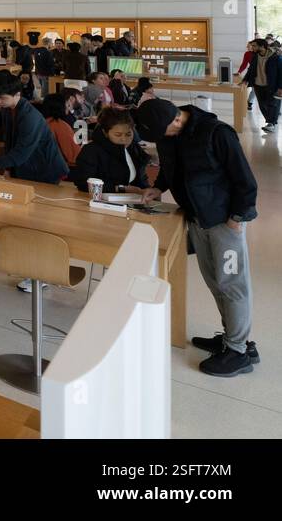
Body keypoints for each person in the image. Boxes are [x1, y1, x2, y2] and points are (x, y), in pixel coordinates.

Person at [135, 98, 259, 377]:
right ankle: (231, 337)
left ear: (176, 120)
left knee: (232, 284)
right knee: (215, 281)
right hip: (196, 219)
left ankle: (239, 350)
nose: (159, 141)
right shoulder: (169, 136)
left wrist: (236, 218)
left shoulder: (216, 133)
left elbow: (245, 180)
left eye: (161, 133)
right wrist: (159, 188)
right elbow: (172, 169)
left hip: (224, 222)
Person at [0, 79, 68, 183]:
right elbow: (9, 142)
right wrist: (8, 168)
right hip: (28, 166)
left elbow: (21, 152)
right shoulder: (8, 109)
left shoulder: (30, 117)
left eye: (2, 98)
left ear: (17, 95)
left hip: (46, 169)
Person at [70, 107, 148, 196]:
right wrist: (120, 189)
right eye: (118, 135)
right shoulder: (91, 150)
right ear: (105, 133)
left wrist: (148, 192)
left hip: (133, 201)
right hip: (101, 202)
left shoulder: (134, 149)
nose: (124, 139)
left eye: (128, 134)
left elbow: (142, 179)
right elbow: (83, 182)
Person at [242, 38, 282, 131]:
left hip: (271, 85)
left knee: (273, 104)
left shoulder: (275, 57)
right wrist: (245, 80)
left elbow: (281, 72)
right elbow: (251, 69)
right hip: (258, 85)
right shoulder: (255, 56)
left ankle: (271, 123)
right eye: (252, 45)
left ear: (262, 46)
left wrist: (280, 87)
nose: (252, 47)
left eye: (254, 46)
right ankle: (270, 121)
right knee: (262, 105)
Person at [39, 93, 81, 168]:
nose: (68, 107)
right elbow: (75, 157)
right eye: (66, 104)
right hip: (57, 170)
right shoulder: (60, 125)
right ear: (60, 106)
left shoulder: (41, 122)